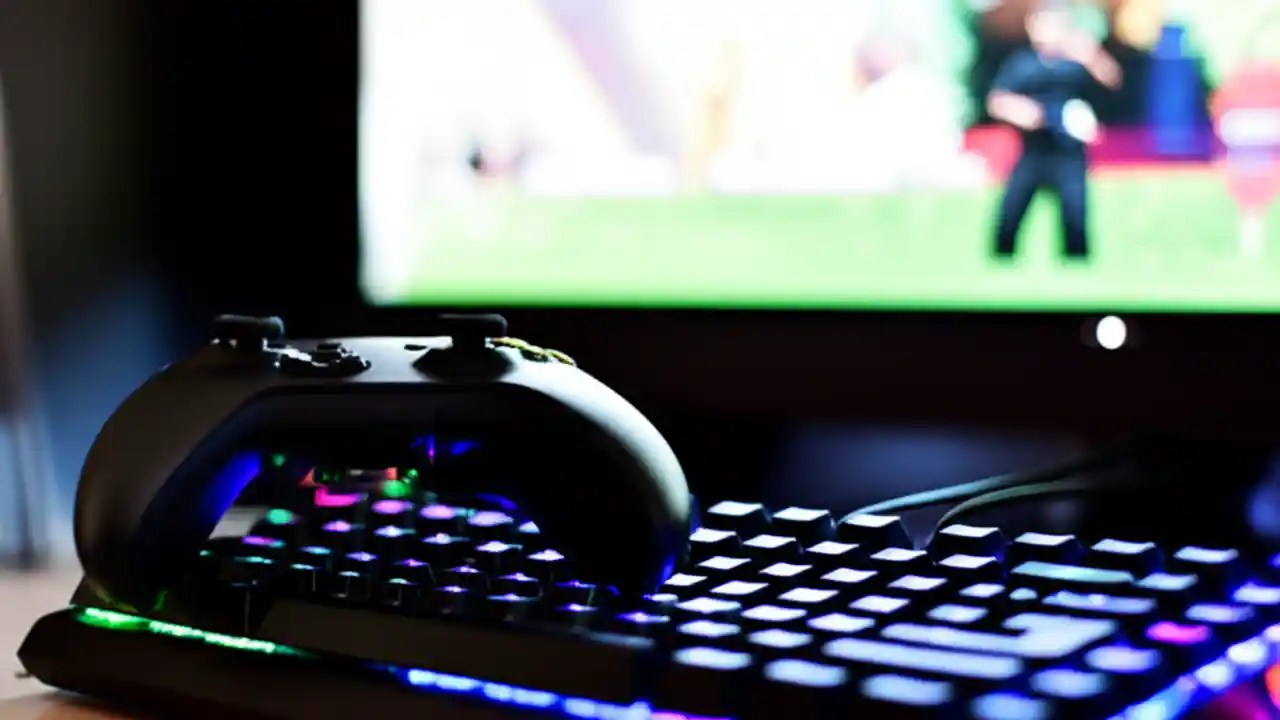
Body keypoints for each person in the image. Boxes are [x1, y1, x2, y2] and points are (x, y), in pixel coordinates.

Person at [988, 1, 1122, 260]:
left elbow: (1113, 82)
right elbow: (997, 100)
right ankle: (1002, 259)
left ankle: (1076, 264)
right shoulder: (1022, 64)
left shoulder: (1077, 62)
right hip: (1034, 150)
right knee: (1012, 209)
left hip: (1068, 152)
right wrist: (1021, 111)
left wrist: (1092, 55)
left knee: (1074, 212)